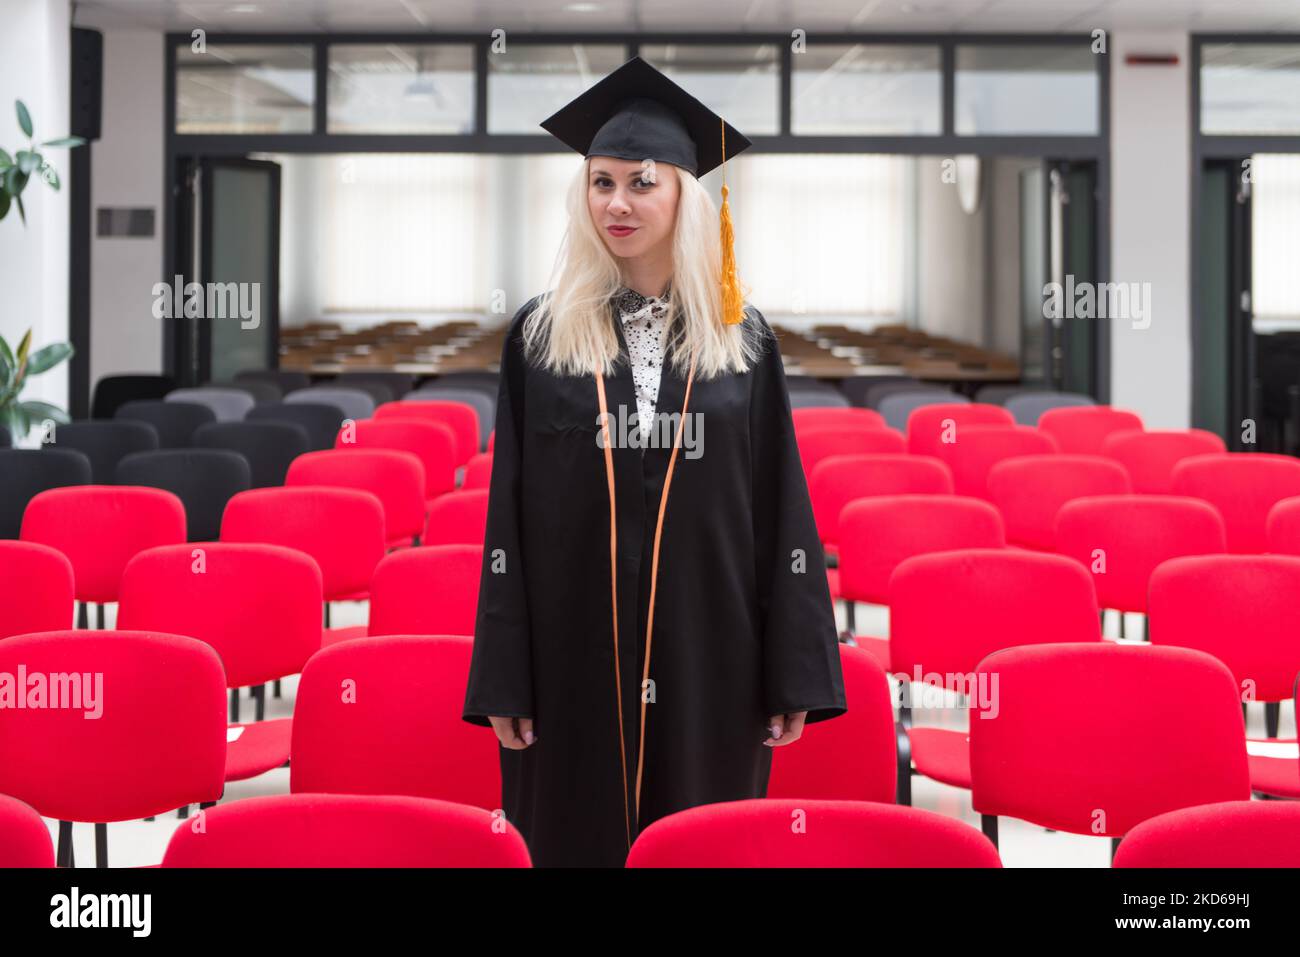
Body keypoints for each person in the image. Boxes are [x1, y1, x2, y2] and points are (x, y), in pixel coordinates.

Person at [462, 56, 846, 868]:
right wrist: (505, 676)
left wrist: (793, 671)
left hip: (712, 649)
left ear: (685, 196)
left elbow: (782, 509)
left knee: (701, 844)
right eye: (601, 183)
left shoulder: (743, 340)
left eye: (641, 182)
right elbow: (509, 512)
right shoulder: (540, 337)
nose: (618, 203)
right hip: (571, 653)